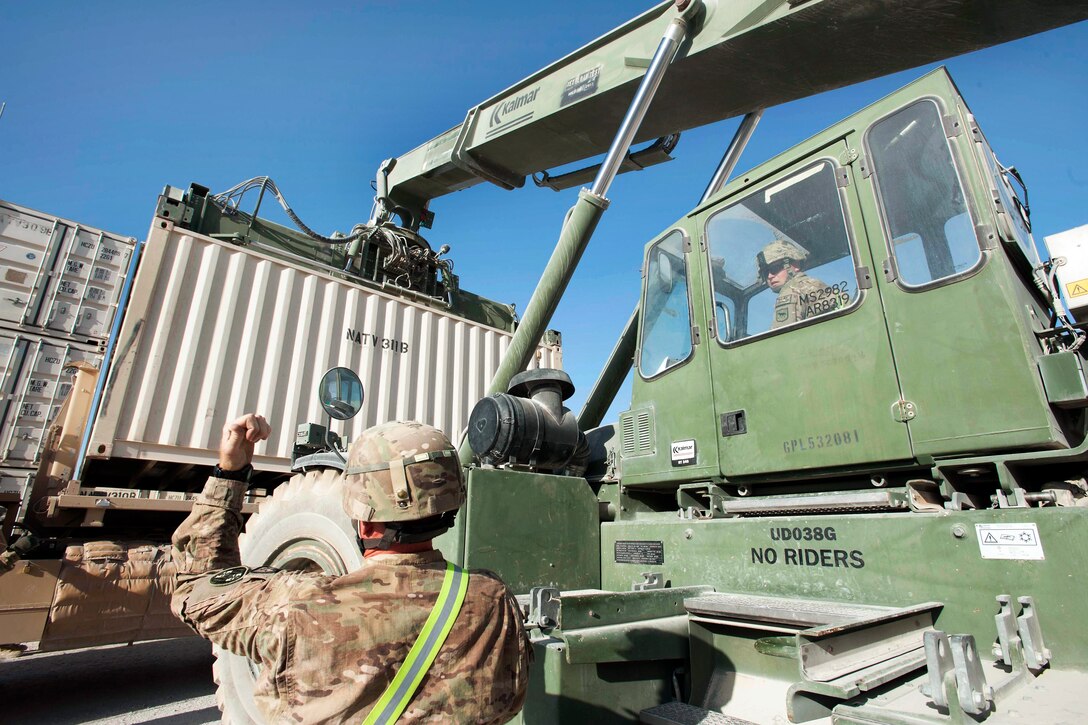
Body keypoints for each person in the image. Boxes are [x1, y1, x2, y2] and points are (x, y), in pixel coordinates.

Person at [171, 414, 531, 724]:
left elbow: (194, 588)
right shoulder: (493, 604)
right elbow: (509, 701)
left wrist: (230, 473)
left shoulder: (294, 607)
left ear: (365, 522)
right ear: (448, 506)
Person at [757, 239, 839, 329]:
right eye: (765, 273)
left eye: (774, 269)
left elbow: (783, 337)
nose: (769, 276)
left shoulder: (792, 291)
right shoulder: (815, 285)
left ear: (795, 265)